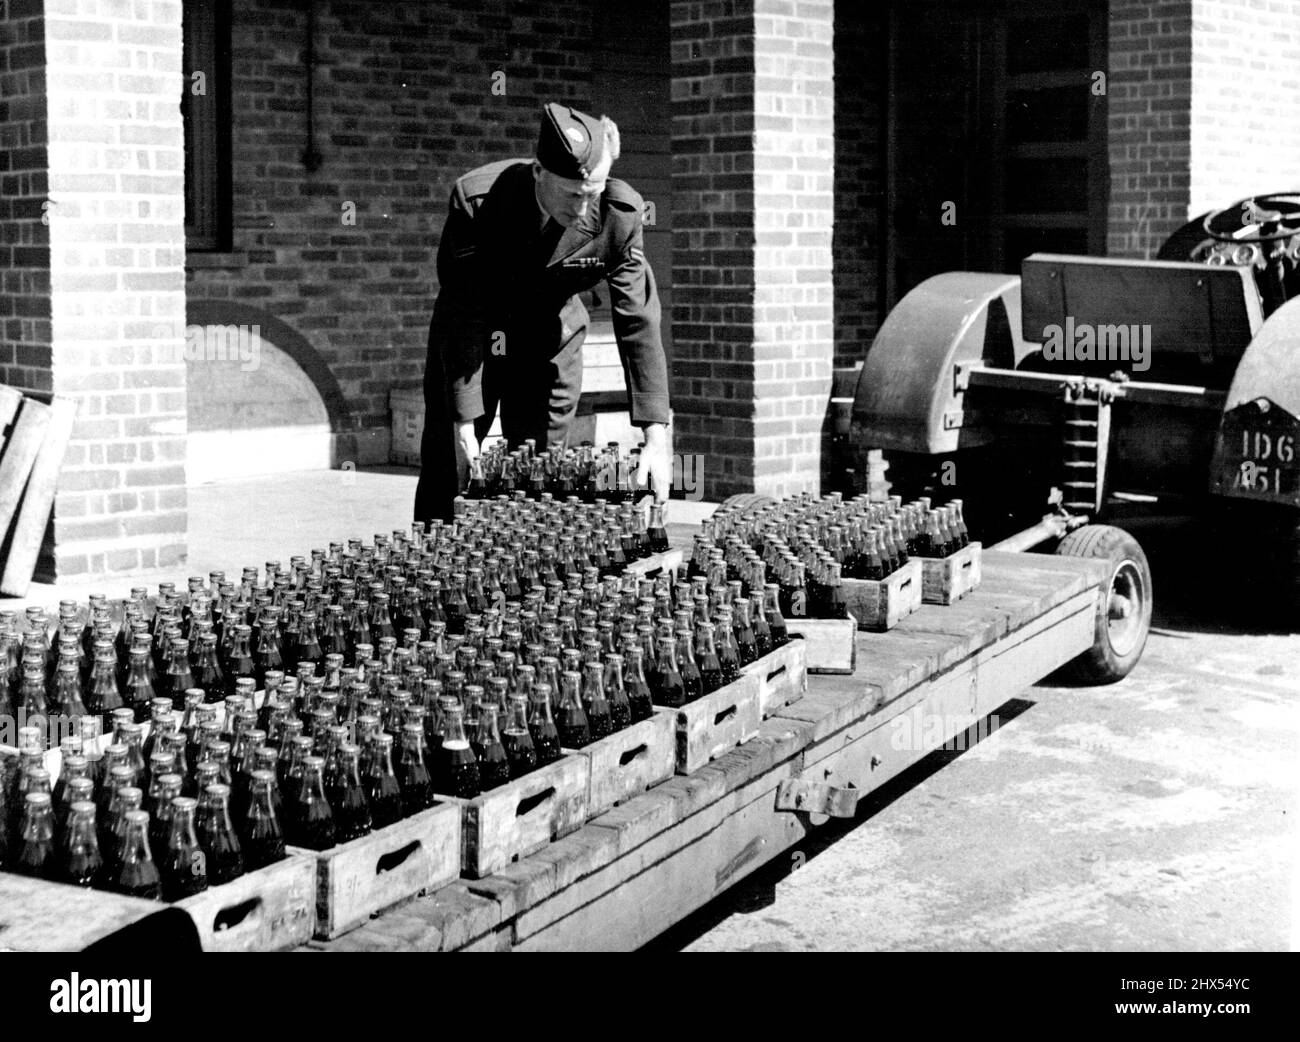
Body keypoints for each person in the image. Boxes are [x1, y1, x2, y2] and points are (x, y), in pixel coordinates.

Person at [414, 101, 672, 522]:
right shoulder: (477, 202)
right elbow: (464, 313)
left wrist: (656, 437)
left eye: (594, 193)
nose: (584, 209)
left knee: (537, 476)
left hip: (551, 341)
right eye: (573, 195)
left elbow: (638, 323)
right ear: (539, 172)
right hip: (476, 340)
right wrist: (463, 425)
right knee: (451, 471)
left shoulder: (620, 216)